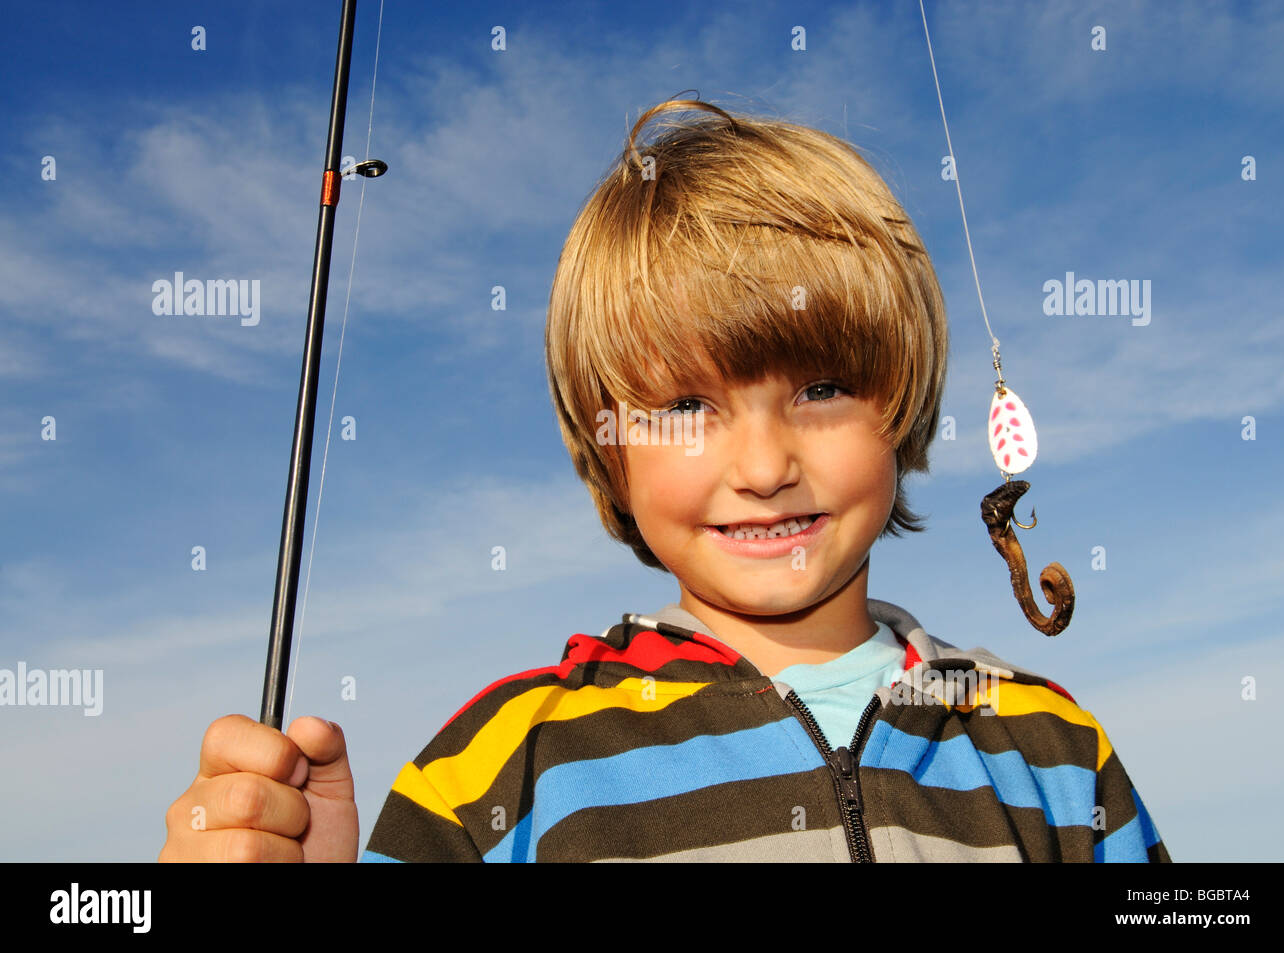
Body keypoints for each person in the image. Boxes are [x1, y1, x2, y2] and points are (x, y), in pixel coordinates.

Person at [159, 98, 1170, 863]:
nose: (766, 466)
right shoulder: (499, 764)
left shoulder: (1046, 742)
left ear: (897, 405)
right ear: (611, 448)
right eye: (685, 408)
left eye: (821, 387)